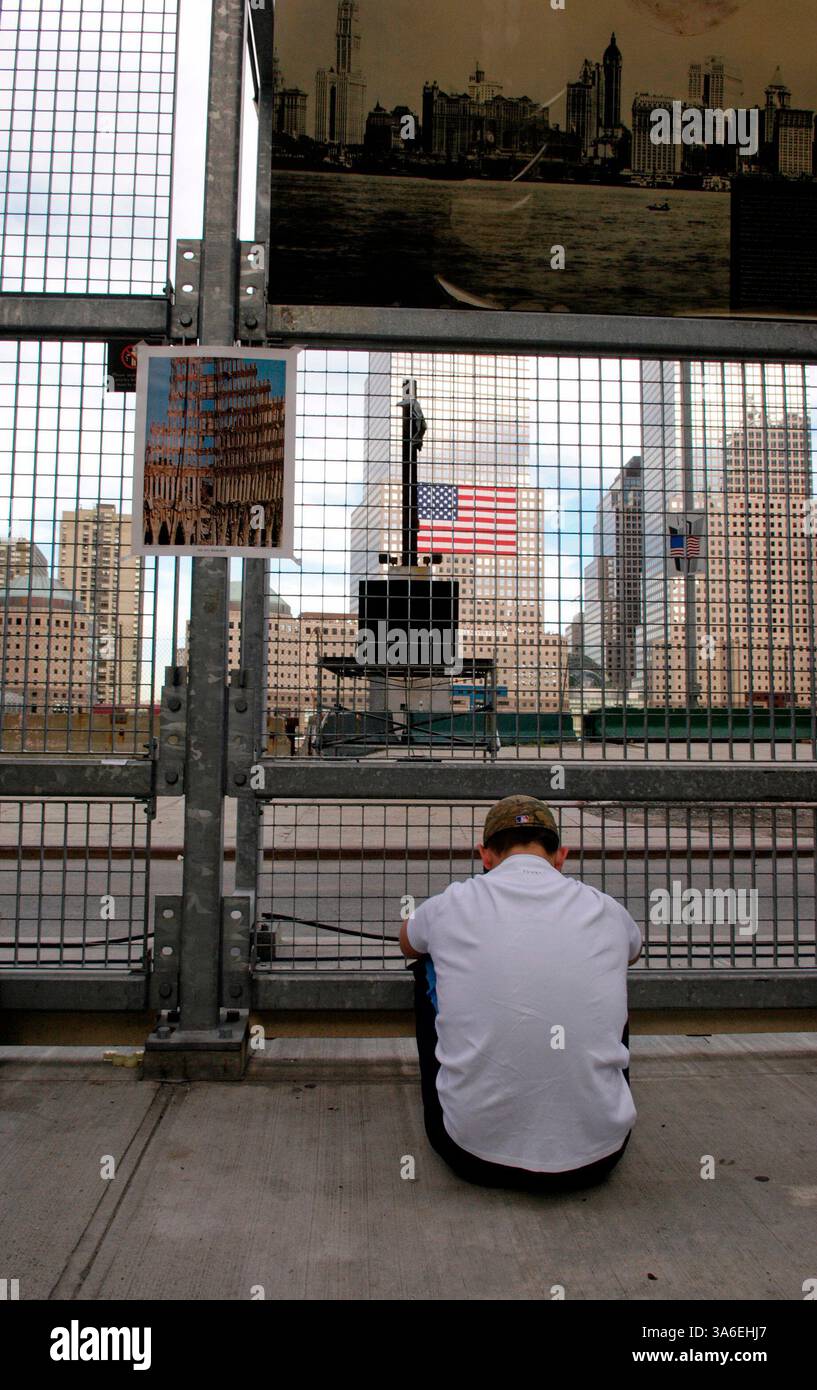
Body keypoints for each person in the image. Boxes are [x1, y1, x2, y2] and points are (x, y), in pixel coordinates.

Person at [400, 795, 642, 1193]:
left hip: (471, 1154)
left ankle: (472, 1101)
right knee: (605, 968)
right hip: (600, 1155)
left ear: (485, 855)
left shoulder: (452, 903)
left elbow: (407, 943)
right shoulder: (606, 910)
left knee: (427, 966)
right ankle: (592, 1106)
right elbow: (634, 951)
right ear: (561, 856)